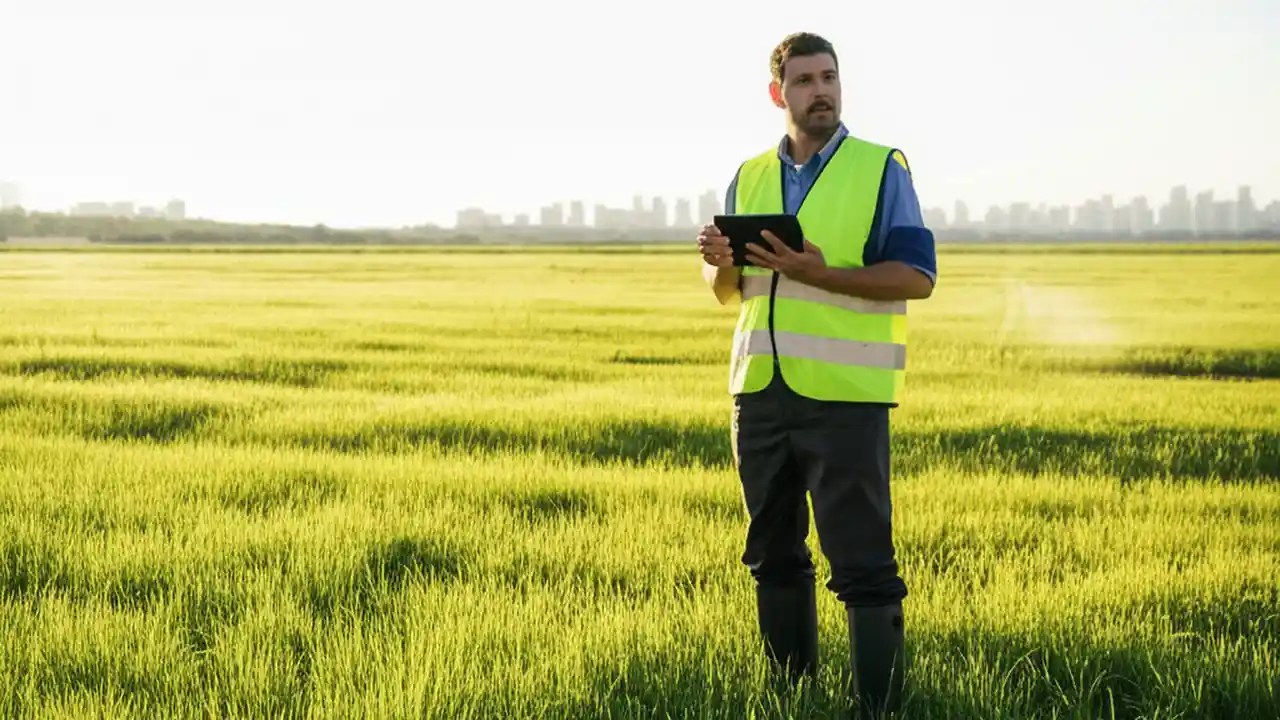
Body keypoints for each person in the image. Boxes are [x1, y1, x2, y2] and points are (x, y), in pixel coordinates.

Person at [696, 31, 937, 718]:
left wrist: (818, 271)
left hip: (846, 397)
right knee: (771, 554)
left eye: (828, 76)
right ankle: (788, 699)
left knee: (863, 563)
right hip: (759, 397)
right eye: (804, 80)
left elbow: (917, 278)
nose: (820, 90)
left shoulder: (880, 167)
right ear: (779, 94)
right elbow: (726, 294)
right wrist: (720, 259)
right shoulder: (747, 176)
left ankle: (879, 708)